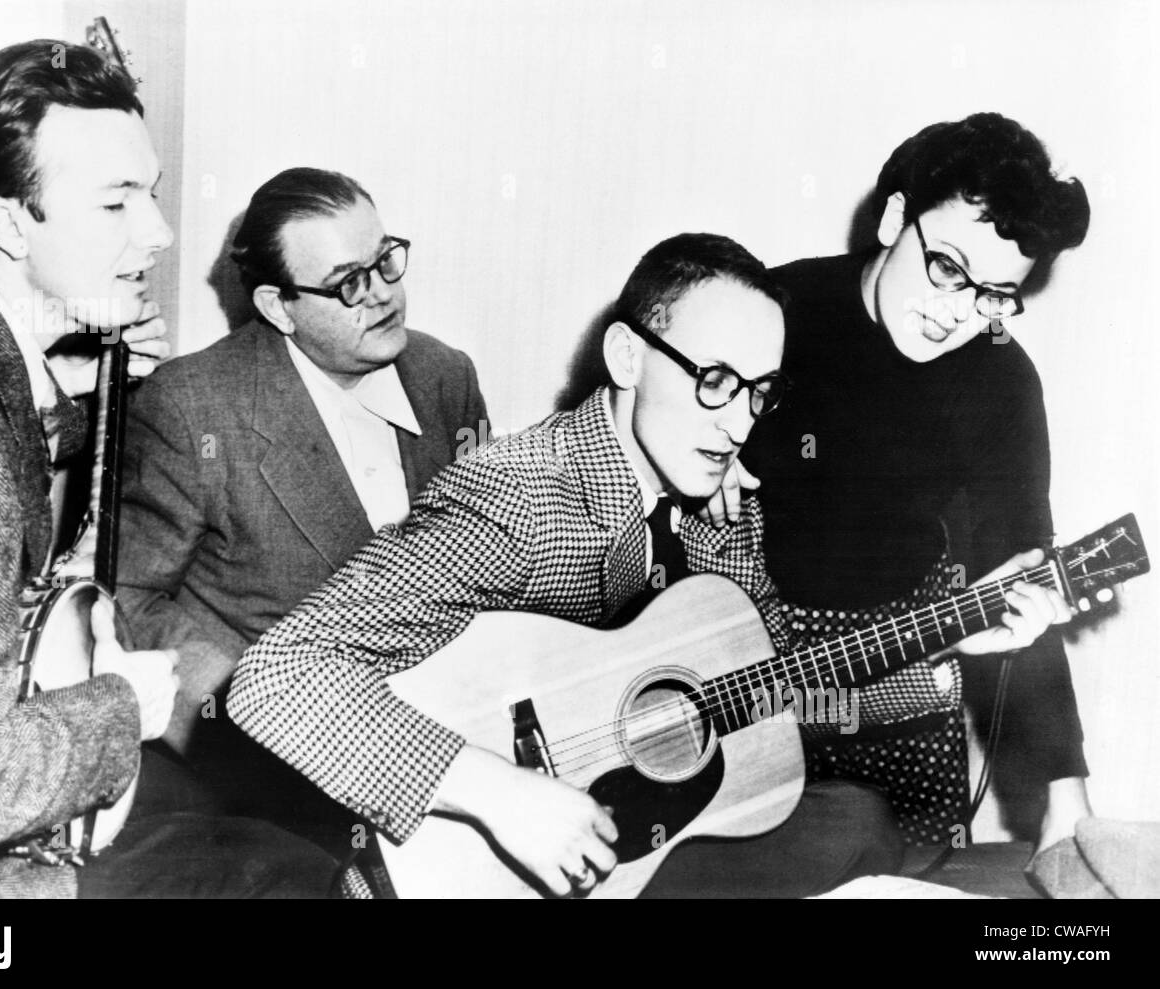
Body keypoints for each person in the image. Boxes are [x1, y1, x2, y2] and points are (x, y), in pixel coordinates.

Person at [227, 232, 1069, 898]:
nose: (738, 422)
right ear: (628, 359)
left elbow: (776, 695)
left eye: (760, 392)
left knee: (857, 822)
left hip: (634, 847)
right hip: (462, 853)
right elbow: (275, 677)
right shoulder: (522, 500)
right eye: (713, 379)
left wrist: (950, 659)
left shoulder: (722, 518)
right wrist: (504, 795)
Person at [0, 39, 333, 897]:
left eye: (147, 194)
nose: (156, 234)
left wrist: (70, 389)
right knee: (295, 874)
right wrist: (124, 703)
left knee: (250, 832)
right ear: (10, 221)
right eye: (116, 205)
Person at [745, 112, 1092, 864]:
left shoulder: (1001, 382)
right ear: (896, 217)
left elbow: (1015, 570)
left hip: (902, 694)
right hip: (740, 682)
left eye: (996, 293)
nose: (957, 311)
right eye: (946, 269)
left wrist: (1066, 796)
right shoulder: (773, 312)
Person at [117, 167, 489, 848]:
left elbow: (493, 556)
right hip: (275, 782)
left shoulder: (445, 377)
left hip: (446, 744)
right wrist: (241, 713)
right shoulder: (193, 404)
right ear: (278, 306)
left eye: (385, 261)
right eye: (349, 282)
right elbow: (131, 599)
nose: (382, 295)